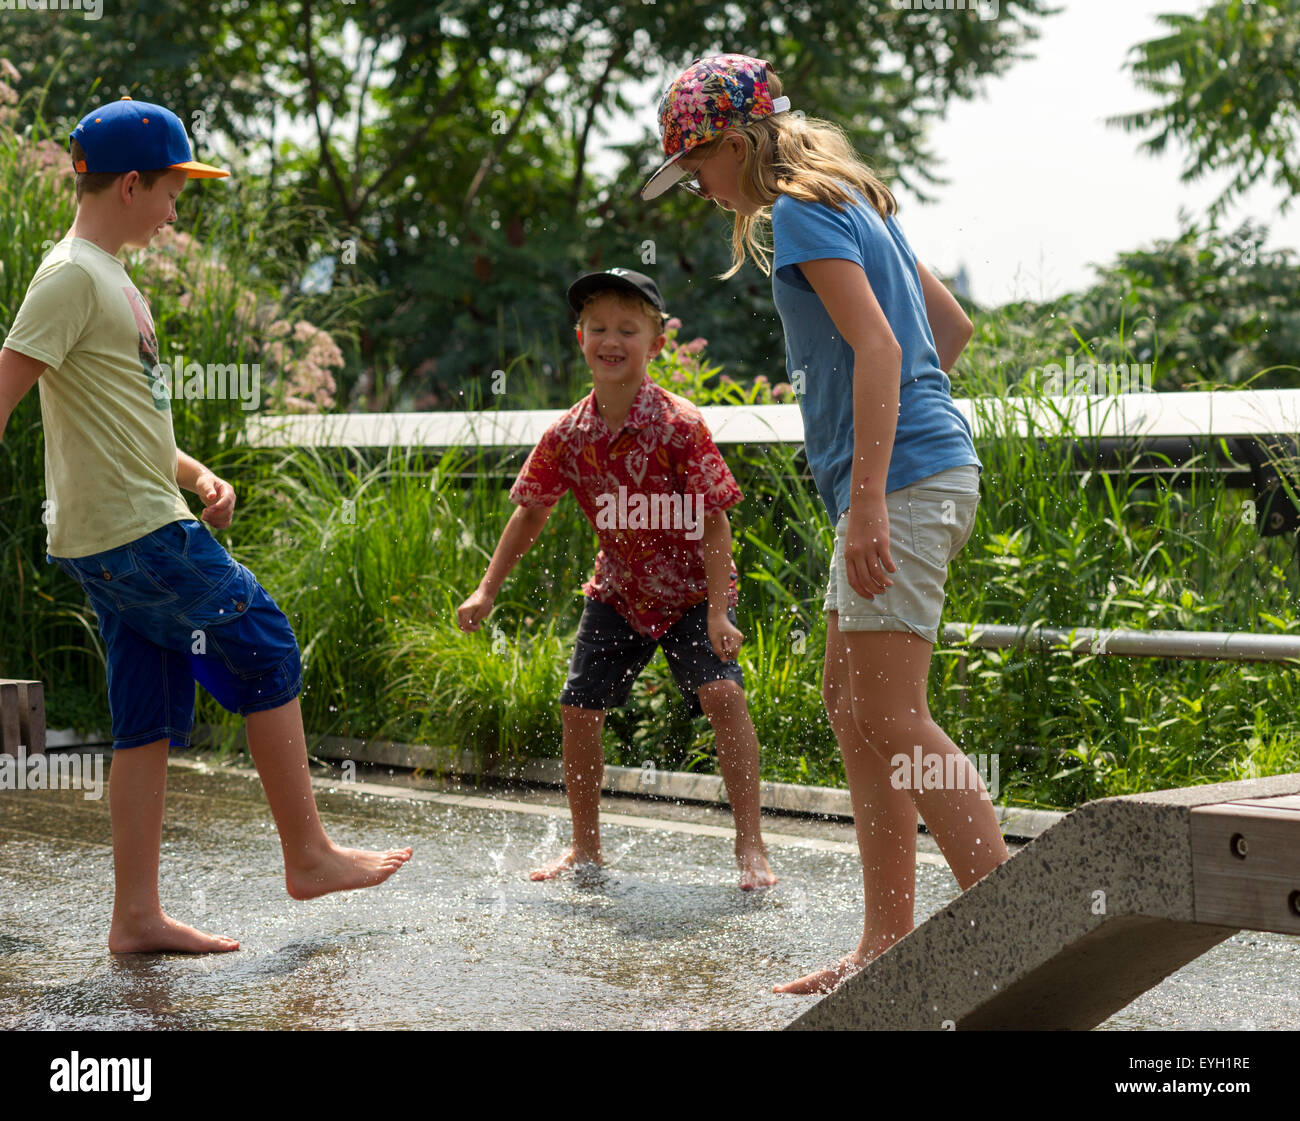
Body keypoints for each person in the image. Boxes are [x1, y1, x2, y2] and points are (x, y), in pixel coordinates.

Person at [0, 97, 411, 955]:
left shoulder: (112, 277)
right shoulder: (70, 274)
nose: (177, 206)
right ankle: (308, 854)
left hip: (127, 526)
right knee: (265, 642)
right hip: (134, 533)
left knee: (145, 716)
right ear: (133, 183)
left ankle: (136, 916)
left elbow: (131, 418)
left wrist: (194, 474)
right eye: (174, 189)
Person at [642, 55, 1010, 992]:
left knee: (890, 711)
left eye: (696, 169)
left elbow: (882, 344)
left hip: (905, 484)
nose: (698, 189)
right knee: (849, 704)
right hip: (924, 468)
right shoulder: (855, 197)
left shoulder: (799, 210)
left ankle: (1014, 932)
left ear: (732, 143)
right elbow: (950, 331)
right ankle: (886, 940)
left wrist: (872, 493)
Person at [456, 267, 777, 890]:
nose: (612, 339)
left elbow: (715, 524)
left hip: (691, 593)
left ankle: (751, 846)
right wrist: (487, 589)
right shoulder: (569, 433)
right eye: (598, 327)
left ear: (656, 344)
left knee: (724, 696)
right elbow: (531, 511)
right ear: (580, 339)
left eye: (628, 329)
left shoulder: (680, 425)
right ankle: (584, 848)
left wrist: (717, 610)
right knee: (578, 707)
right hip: (618, 590)